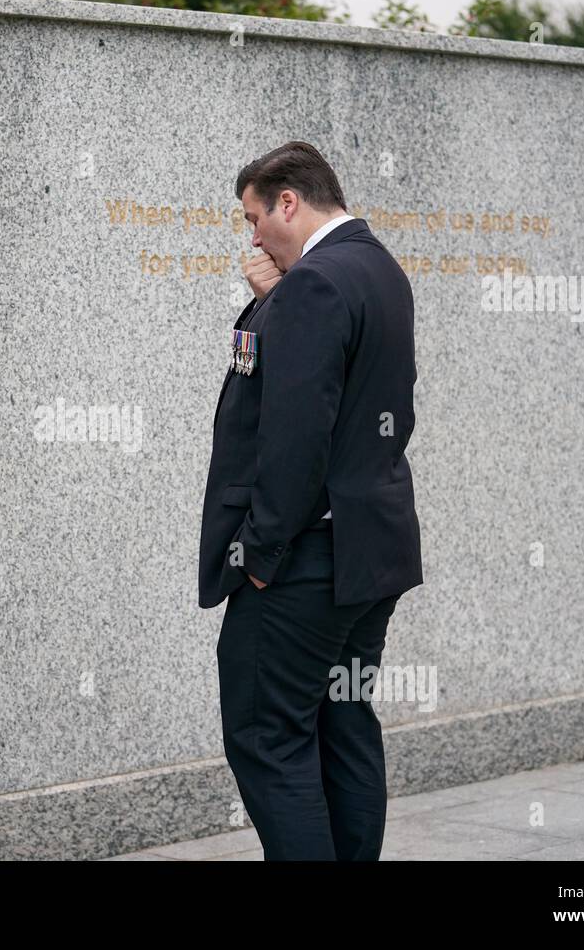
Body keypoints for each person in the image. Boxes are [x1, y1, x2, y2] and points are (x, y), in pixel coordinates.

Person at [198, 140, 424, 860]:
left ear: (288, 202)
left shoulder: (316, 284)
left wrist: (260, 555)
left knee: (269, 737)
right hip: (369, 554)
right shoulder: (377, 267)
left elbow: (296, 440)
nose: (252, 236)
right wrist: (275, 298)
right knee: (343, 725)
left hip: (305, 566)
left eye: (254, 216)